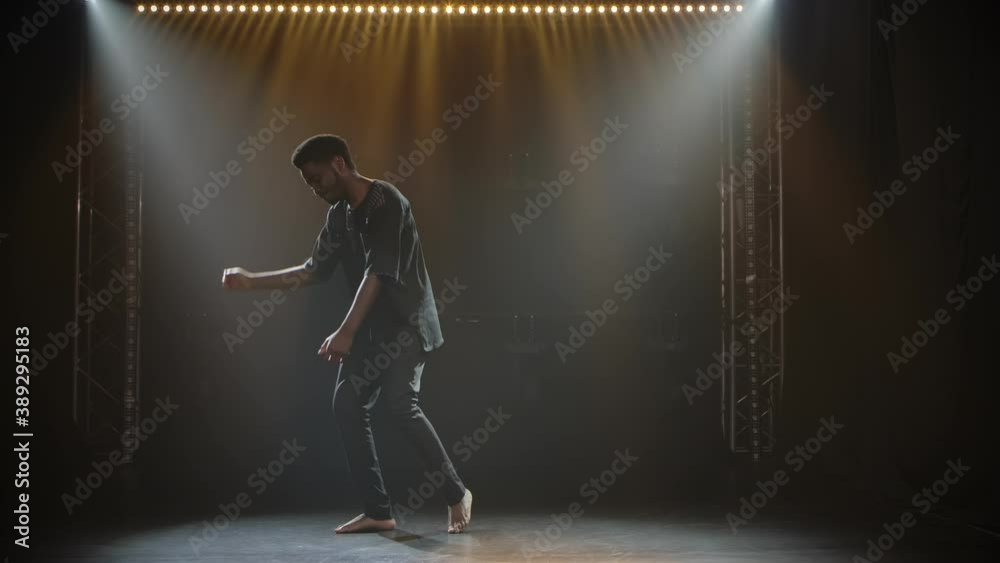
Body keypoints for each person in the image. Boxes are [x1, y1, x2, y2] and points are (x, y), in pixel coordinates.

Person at [221, 134, 472, 534]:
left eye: (317, 178)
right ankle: (379, 511)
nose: (315, 188)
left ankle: (456, 492)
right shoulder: (338, 216)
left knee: (398, 404)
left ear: (338, 164)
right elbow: (311, 270)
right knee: (347, 405)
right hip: (371, 328)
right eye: (309, 183)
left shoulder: (386, 201)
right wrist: (252, 282)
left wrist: (345, 331)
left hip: (407, 323)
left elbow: (379, 272)